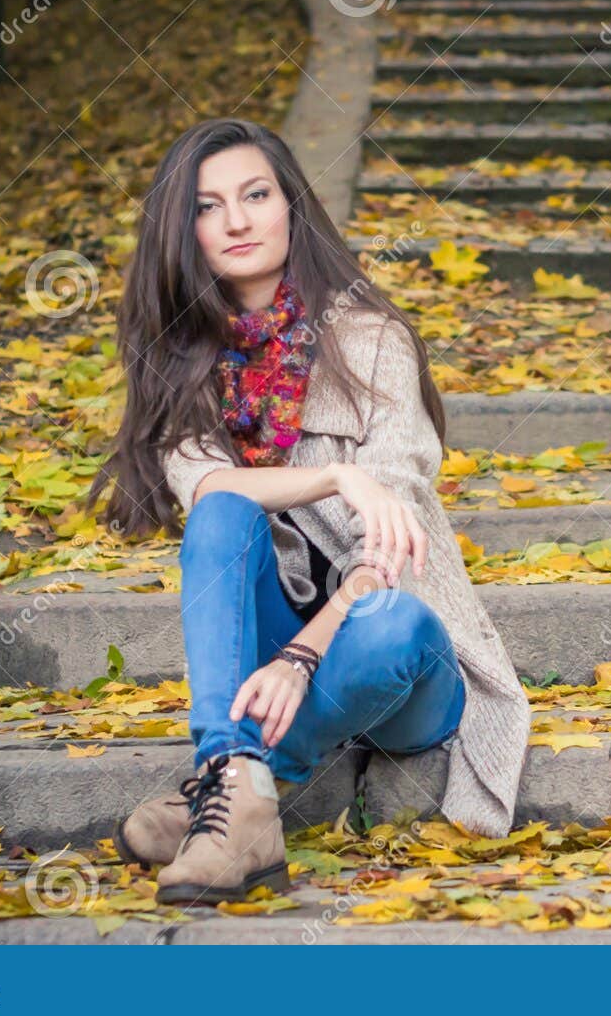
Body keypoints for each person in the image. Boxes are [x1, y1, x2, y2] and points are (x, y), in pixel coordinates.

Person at [85, 118, 530, 907]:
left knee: (395, 622)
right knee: (223, 512)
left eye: (256, 195)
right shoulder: (180, 364)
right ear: (182, 230)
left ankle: (228, 790)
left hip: (391, 658)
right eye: (208, 205)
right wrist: (334, 479)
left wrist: (305, 654)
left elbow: (392, 544)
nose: (238, 220)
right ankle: (238, 782)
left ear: (290, 204)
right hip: (267, 646)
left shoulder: (372, 341)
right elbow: (206, 491)